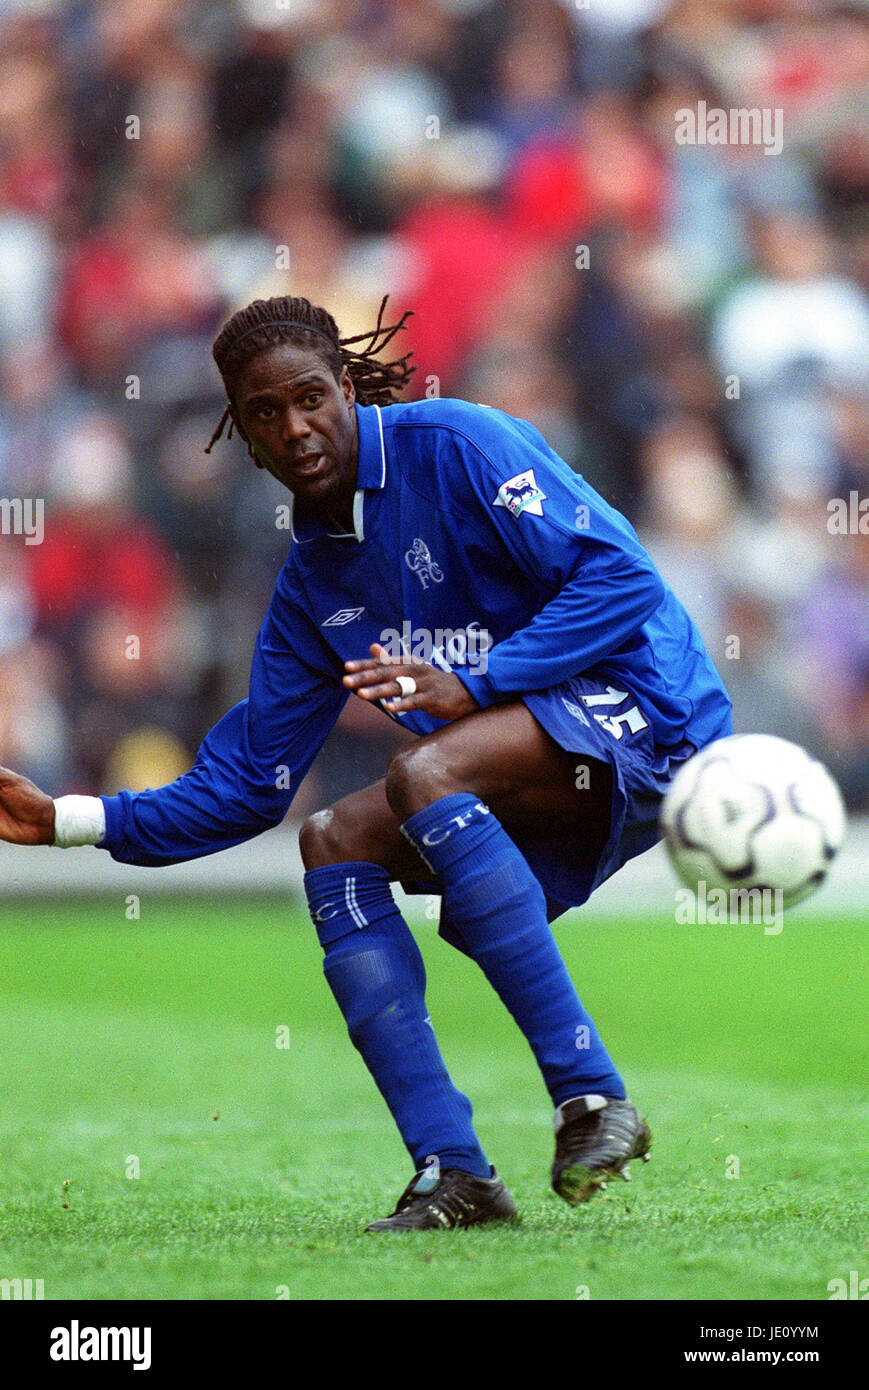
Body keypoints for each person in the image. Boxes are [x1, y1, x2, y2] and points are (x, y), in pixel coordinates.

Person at [0, 294, 732, 1232]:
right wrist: (62, 821)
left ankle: (592, 1099)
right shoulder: (312, 584)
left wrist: (479, 680)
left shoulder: (460, 445)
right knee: (331, 842)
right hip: (530, 757)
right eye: (265, 412)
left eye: (310, 398)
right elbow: (244, 789)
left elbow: (622, 576)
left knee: (424, 774)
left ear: (347, 387)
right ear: (244, 434)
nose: (294, 427)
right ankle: (453, 1172)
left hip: (650, 717)